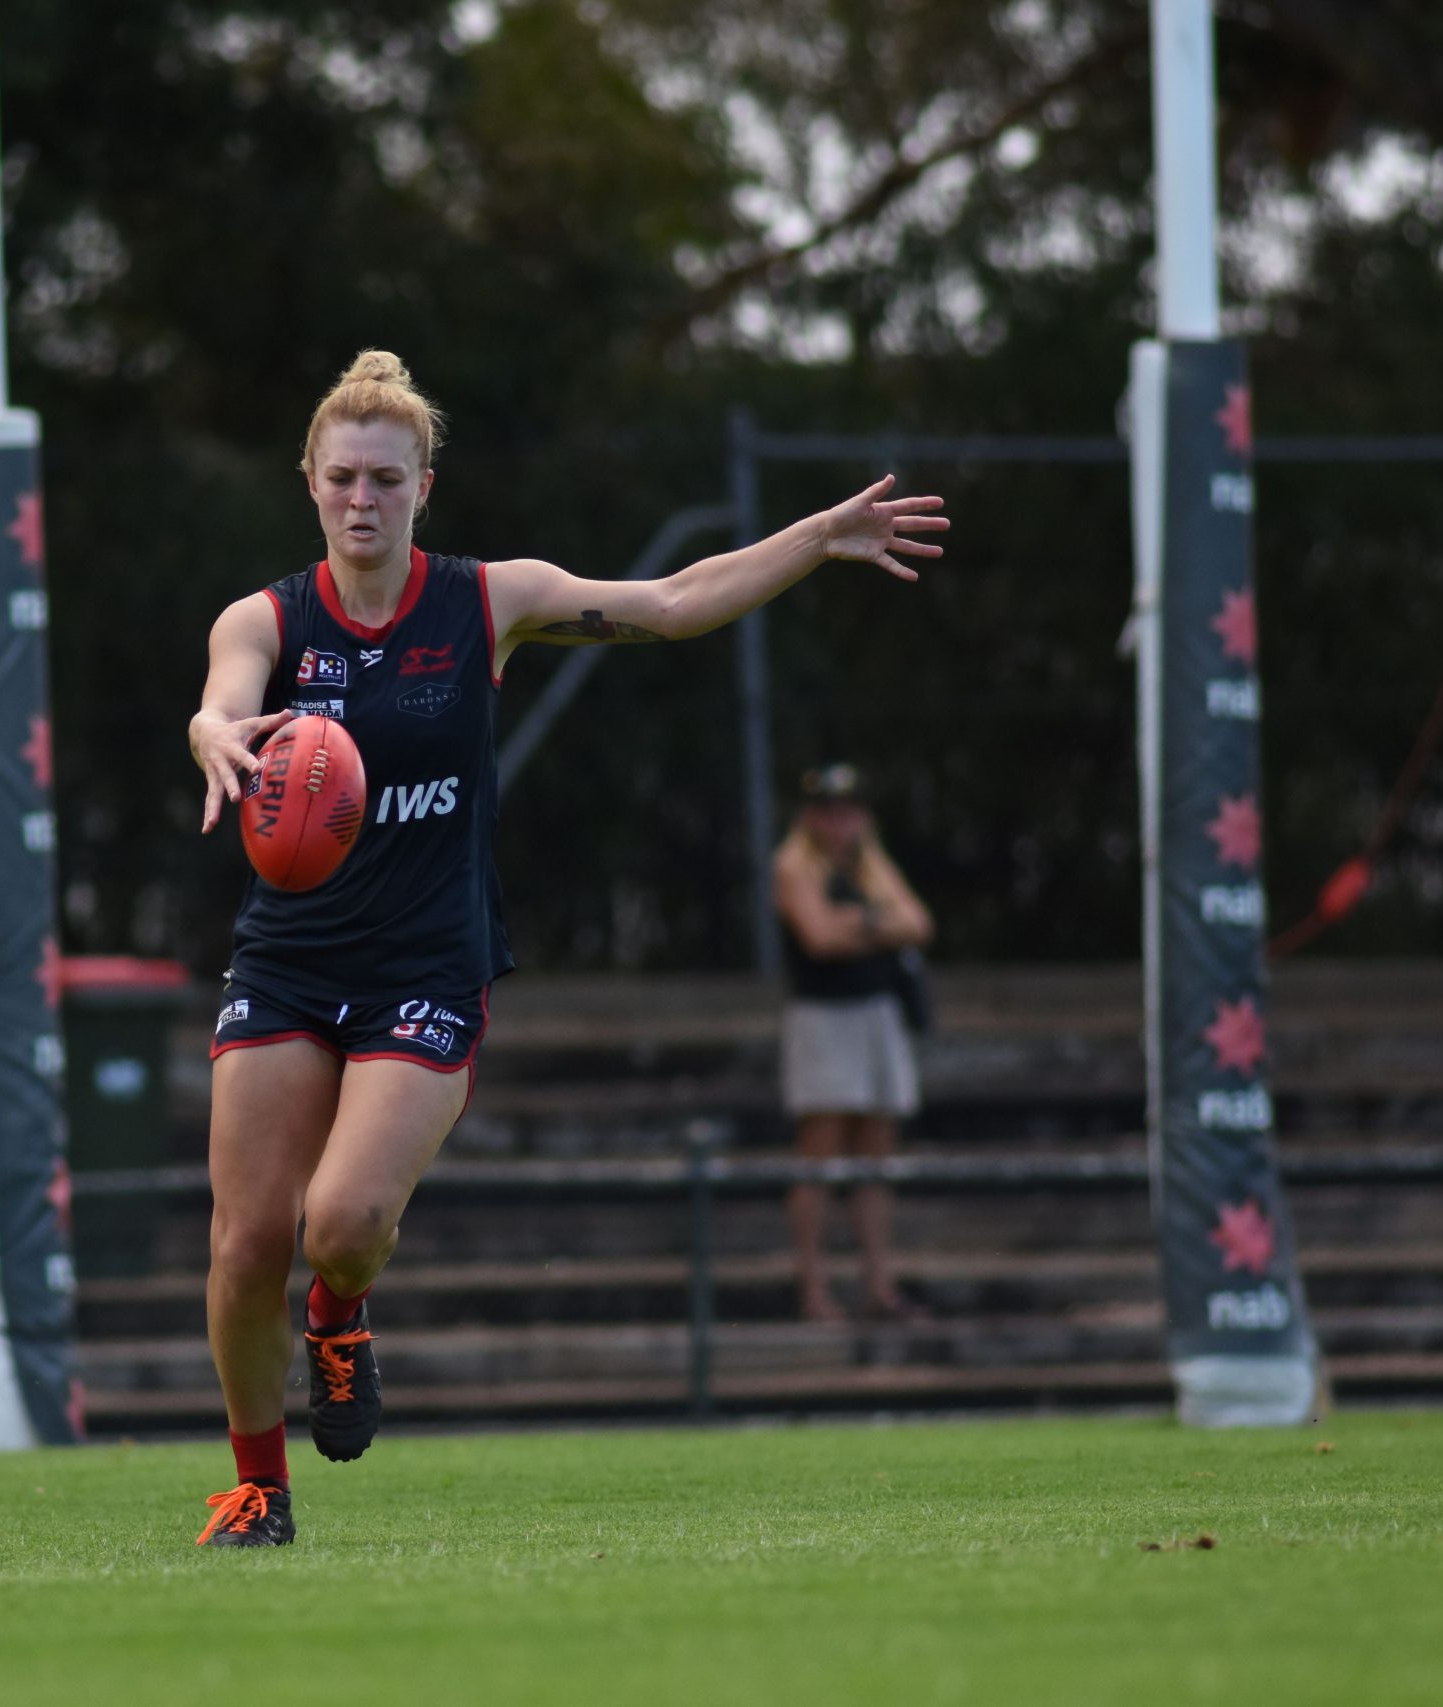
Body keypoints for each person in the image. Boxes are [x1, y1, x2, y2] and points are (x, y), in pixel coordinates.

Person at [182, 351, 948, 1544]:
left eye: (386, 478)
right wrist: (212, 733)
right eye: (341, 478)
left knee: (339, 1226)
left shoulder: (488, 601)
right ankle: (257, 1489)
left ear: (424, 486)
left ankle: (337, 1316)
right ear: (311, 483)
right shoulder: (266, 620)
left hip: (424, 969)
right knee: (242, 1246)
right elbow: (224, 699)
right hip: (288, 962)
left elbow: (674, 602)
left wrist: (813, 537)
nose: (362, 498)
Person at [773, 763, 935, 1324]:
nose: (839, 823)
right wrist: (874, 924)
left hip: (876, 1019)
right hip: (825, 1021)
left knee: (876, 1160)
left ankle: (878, 1286)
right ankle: (813, 1290)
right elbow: (817, 937)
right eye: (828, 812)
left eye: (848, 812)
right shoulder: (794, 865)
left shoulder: (871, 864)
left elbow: (919, 923)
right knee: (819, 1158)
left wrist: (855, 922)